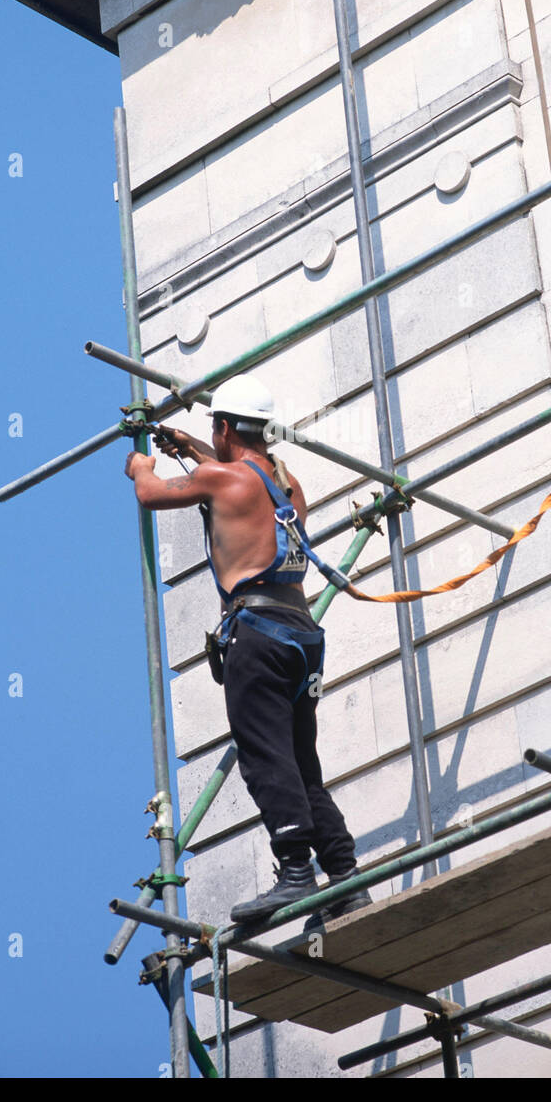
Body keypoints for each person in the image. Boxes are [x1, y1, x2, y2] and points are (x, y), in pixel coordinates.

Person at [124, 374, 370, 927]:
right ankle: (346, 878)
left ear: (227, 427)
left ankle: (295, 871)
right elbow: (240, 476)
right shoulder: (289, 486)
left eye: (217, 427)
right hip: (302, 636)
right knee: (302, 762)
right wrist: (191, 446)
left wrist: (142, 464)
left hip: (256, 633)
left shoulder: (218, 478)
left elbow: (150, 493)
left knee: (265, 756)